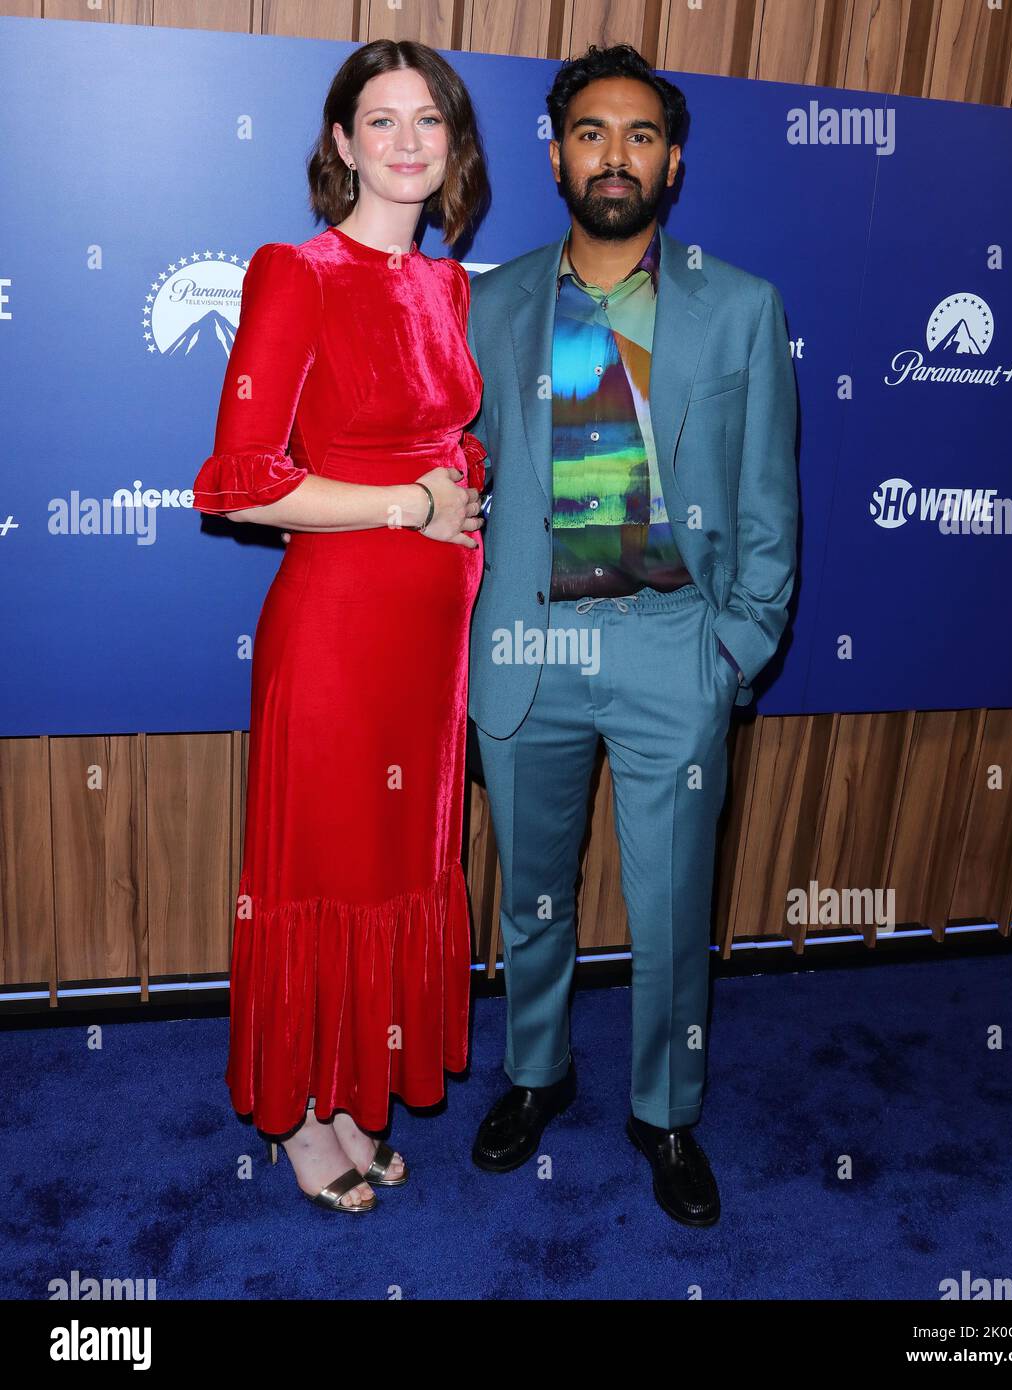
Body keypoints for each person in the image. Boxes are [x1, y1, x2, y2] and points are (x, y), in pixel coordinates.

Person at [463, 44, 798, 1227]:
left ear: (673, 163)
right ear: (554, 154)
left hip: (669, 644)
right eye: (593, 132)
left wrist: (731, 648)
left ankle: (664, 1112)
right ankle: (534, 1076)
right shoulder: (487, 298)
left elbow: (765, 503)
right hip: (528, 646)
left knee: (670, 908)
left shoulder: (740, 305)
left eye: (642, 135)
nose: (617, 154)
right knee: (533, 896)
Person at [191, 40, 488, 1213]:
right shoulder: (295, 272)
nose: (407, 141)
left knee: (401, 868)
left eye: (429, 121)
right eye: (381, 119)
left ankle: (362, 1085)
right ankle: (304, 1117)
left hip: (430, 642)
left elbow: (444, 436)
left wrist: (457, 487)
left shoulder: (449, 286)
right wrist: (407, 503)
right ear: (339, 143)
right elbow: (240, 483)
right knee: (321, 867)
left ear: (454, 149)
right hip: (334, 634)